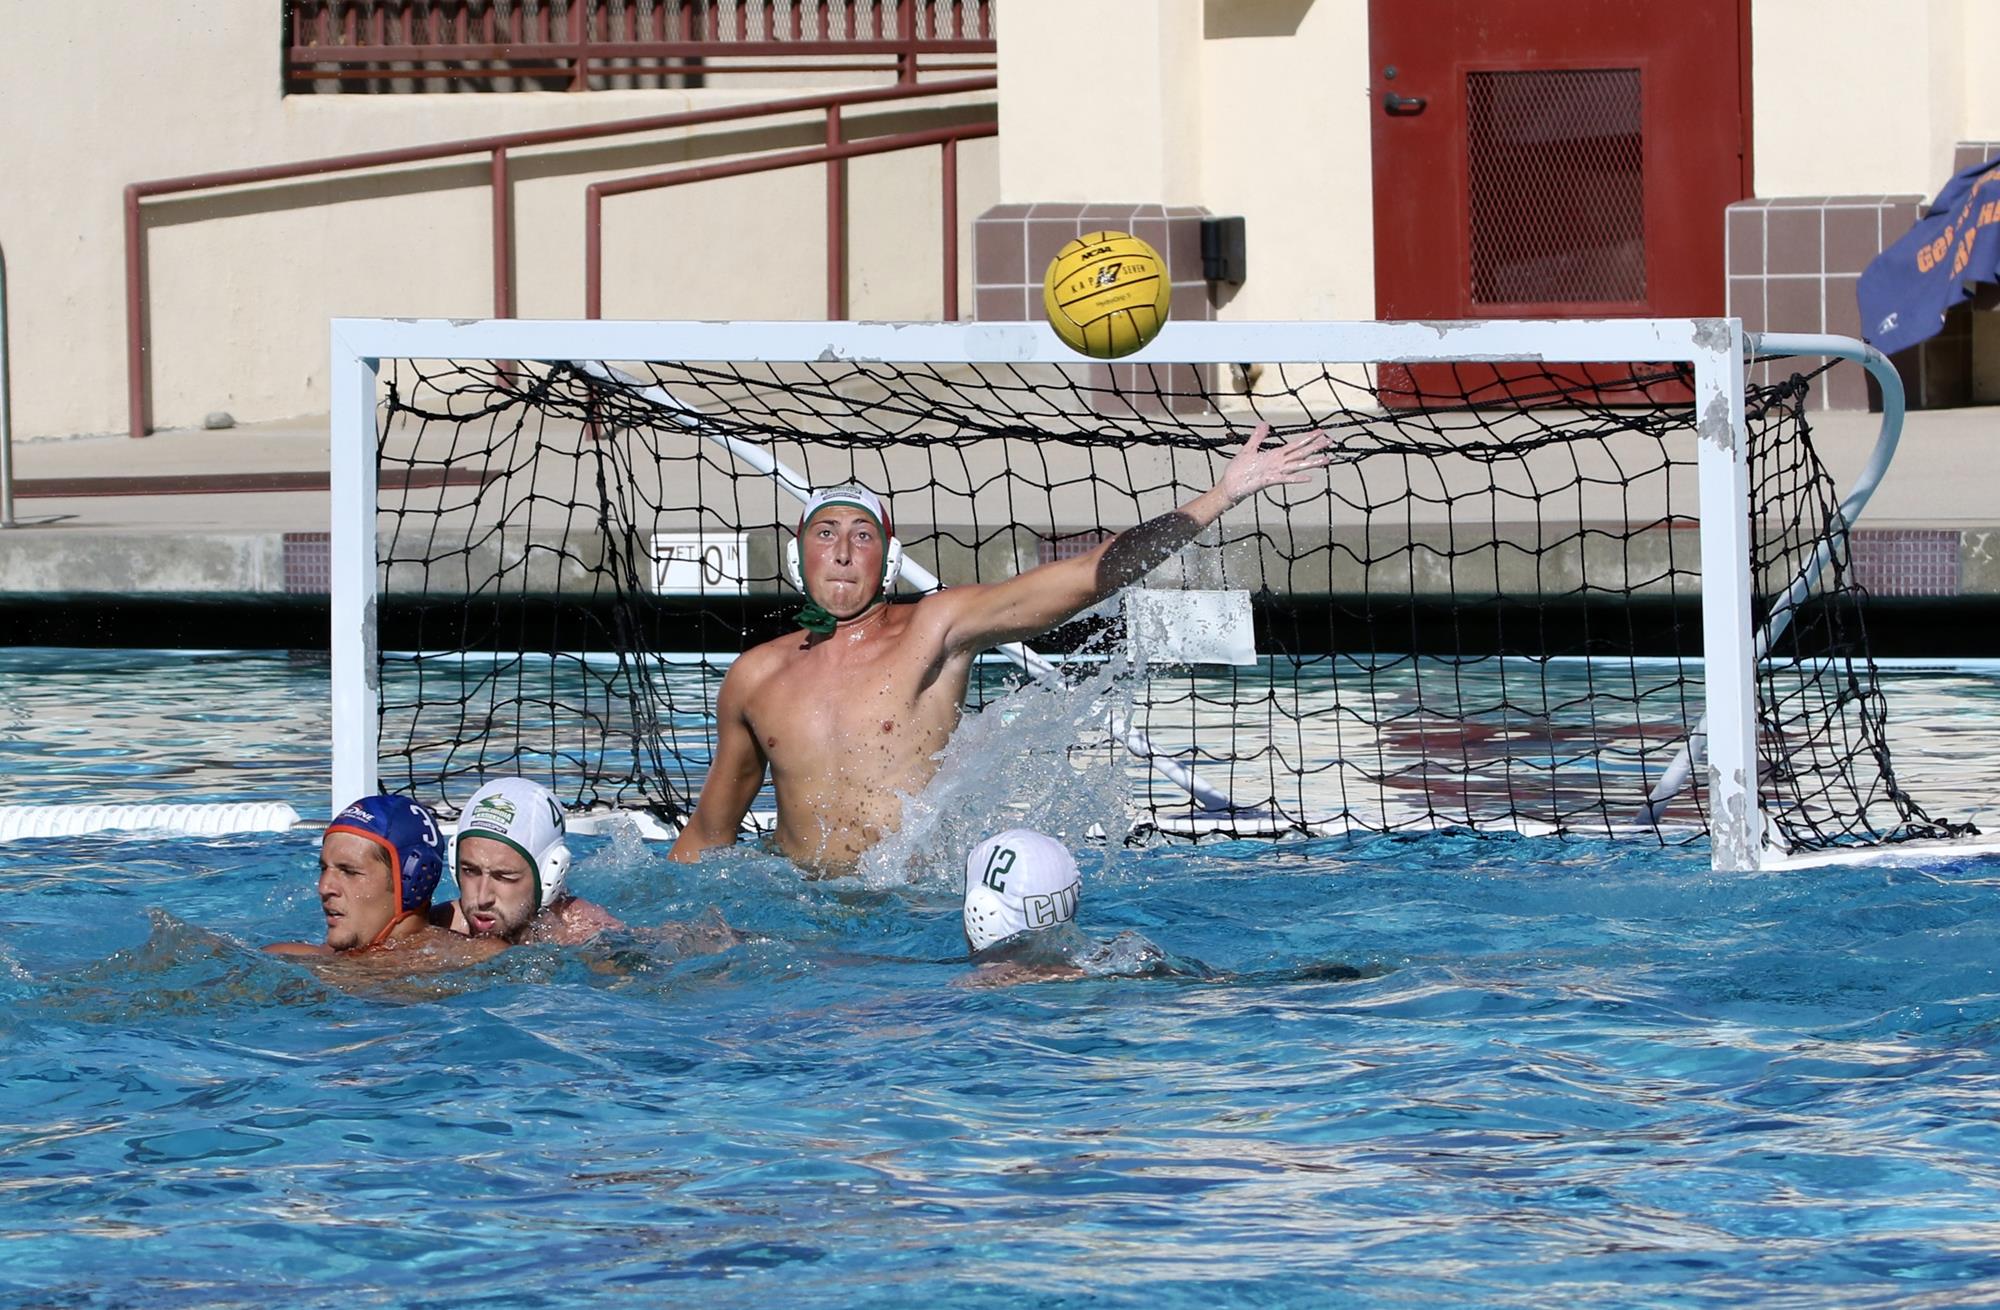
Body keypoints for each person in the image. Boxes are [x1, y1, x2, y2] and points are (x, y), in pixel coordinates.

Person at [668, 422, 1332, 874]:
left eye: (862, 535)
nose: (842, 551)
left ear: (888, 560)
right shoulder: (755, 677)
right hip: (799, 915)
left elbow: (1086, 576)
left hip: (910, 910)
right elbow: (708, 836)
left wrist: (1222, 495)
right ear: (798, 555)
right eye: (826, 534)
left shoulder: (936, 629)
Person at [266, 795, 492, 962]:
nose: (324, 887)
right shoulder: (284, 960)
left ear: (412, 882)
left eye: (349, 871)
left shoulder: (472, 962)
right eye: (324, 868)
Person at [431, 777, 624, 946]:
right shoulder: (435, 927)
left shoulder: (588, 934)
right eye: (470, 871)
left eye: (504, 876)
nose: (482, 898)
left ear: (548, 876)